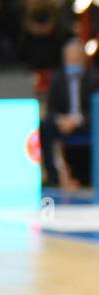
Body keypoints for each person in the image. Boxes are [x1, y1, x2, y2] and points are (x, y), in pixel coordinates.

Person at [41, 39, 94, 189]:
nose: (73, 63)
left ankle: (92, 176)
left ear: (83, 60)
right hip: (63, 123)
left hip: (86, 123)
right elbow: (51, 109)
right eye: (69, 60)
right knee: (45, 126)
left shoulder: (93, 79)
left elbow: (95, 109)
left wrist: (77, 120)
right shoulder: (57, 79)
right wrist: (60, 120)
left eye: (76, 60)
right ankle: (54, 177)